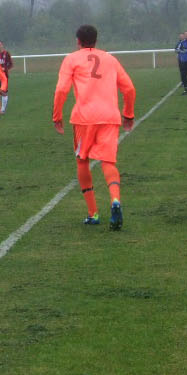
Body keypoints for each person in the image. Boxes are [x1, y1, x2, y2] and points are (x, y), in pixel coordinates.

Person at [54, 25, 136, 230]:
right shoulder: (110, 58)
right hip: (110, 117)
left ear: (78, 41)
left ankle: (93, 213)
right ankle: (115, 200)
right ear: (96, 40)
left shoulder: (71, 59)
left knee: (83, 160)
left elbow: (62, 89)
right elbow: (129, 89)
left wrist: (57, 116)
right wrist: (128, 113)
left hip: (84, 118)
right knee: (108, 162)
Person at [0, 42, 14, 112]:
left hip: (4, 77)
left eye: (0, 45)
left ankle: (3, 109)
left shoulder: (6, 54)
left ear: (2, 46)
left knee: (3, 92)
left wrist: (5, 68)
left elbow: (11, 64)